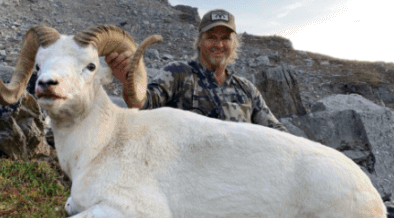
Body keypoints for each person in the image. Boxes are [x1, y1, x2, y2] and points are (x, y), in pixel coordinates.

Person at [107, 9, 287, 132]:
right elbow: (142, 104)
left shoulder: (246, 89)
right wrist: (129, 81)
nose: (218, 44)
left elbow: (277, 133)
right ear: (200, 41)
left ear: (234, 44)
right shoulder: (178, 73)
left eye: (225, 38)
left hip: (237, 181)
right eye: (211, 38)